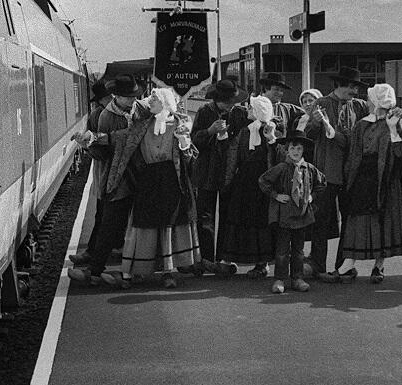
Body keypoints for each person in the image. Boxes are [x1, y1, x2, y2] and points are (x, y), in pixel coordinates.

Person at [107, 87, 201, 289]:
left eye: (154, 100)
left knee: (169, 225)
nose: (150, 103)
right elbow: (120, 137)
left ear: (165, 104)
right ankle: (136, 271)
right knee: (142, 225)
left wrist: (184, 143)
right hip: (148, 181)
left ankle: (168, 271)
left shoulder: (180, 125)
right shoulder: (142, 125)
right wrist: (92, 138)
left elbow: (191, 158)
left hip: (172, 181)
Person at [68, 75, 140, 286]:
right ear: (116, 97)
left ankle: (131, 271)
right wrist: (89, 145)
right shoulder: (106, 118)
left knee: (138, 226)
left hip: (139, 176)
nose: (132, 101)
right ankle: (95, 271)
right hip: (118, 179)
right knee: (109, 226)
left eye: (134, 96)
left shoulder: (138, 110)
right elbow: (102, 153)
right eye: (128, 97)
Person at [335, 83, 402, 283]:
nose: (367, 102)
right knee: (358, 219)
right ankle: (348, 265)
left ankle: (379, 266)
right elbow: (353, 154)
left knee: (382, 221)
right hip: (363, 177)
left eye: (370, 99)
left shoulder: (393, 122)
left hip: (385, 179)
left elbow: (400, 153)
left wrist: (394, 129)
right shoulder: (361, 124)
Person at [304, 68, 369, 279]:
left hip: (351, 172)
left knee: (349, 219)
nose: (354, 91)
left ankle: (344, 265)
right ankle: (317, 264)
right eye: (351, 87)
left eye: (356, 87)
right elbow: (309, 136)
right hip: (327, 171)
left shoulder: (359, 106)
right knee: (321, 220)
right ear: (339, 85)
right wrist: (315, 122)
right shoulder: (321, 103)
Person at [258, 131, 325, 294]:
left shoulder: (309, 169)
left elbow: (322, 183)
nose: (296, 152)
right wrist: (276, 196)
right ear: (287, 150)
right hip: (285, 217)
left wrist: (311, 196)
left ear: (303, 151)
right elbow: (263, 181)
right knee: (282, 251)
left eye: (299, 149)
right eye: (293, 148)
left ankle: (297, 278)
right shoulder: (281, 168)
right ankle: (280, 279)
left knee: (298, 250)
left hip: (301, 216)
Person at [219, 94, 279, 275]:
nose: (248, 110)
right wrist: (228, 181)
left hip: (263, 184)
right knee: (241, 219)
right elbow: (233, 155)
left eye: (252, 108)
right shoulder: (246, 131)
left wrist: (272, 139)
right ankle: (237, 259)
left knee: (260, 222)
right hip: (245, 183)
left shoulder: (272, 129)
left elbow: (278, 156)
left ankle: (262, 264)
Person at [188, 79, 242, 275]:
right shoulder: (204, 112)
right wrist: (210, 131)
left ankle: (223, 257)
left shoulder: (237, 113)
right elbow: (194, 141)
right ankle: (206, 258)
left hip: (228, 172)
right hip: (207, 172)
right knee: (205, 217)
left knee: (227, 215)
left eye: (232, 101)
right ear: (217, 100)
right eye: (227, 102)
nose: (230, 105)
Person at [257, 74, 298, 139]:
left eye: (281, 90)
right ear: (266, 89)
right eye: (276, 89)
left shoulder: (289, 109)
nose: (279, 93)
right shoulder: (255, 106)